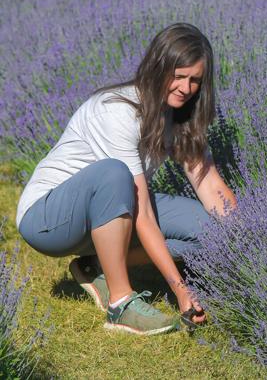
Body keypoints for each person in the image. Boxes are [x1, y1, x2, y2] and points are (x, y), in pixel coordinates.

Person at [16, 23, 237, 335]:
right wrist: (180, 288)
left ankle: (95, 266)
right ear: (158, 67)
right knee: (114, 172)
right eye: (178, 76)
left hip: (109, 214)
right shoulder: (117, 111)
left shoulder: (180, 117)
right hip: (47, 219)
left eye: (194, 80)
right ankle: (120, 305)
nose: (185, 88)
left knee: (207, 230)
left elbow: (211, 186)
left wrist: (246, 240)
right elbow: (142, 213)